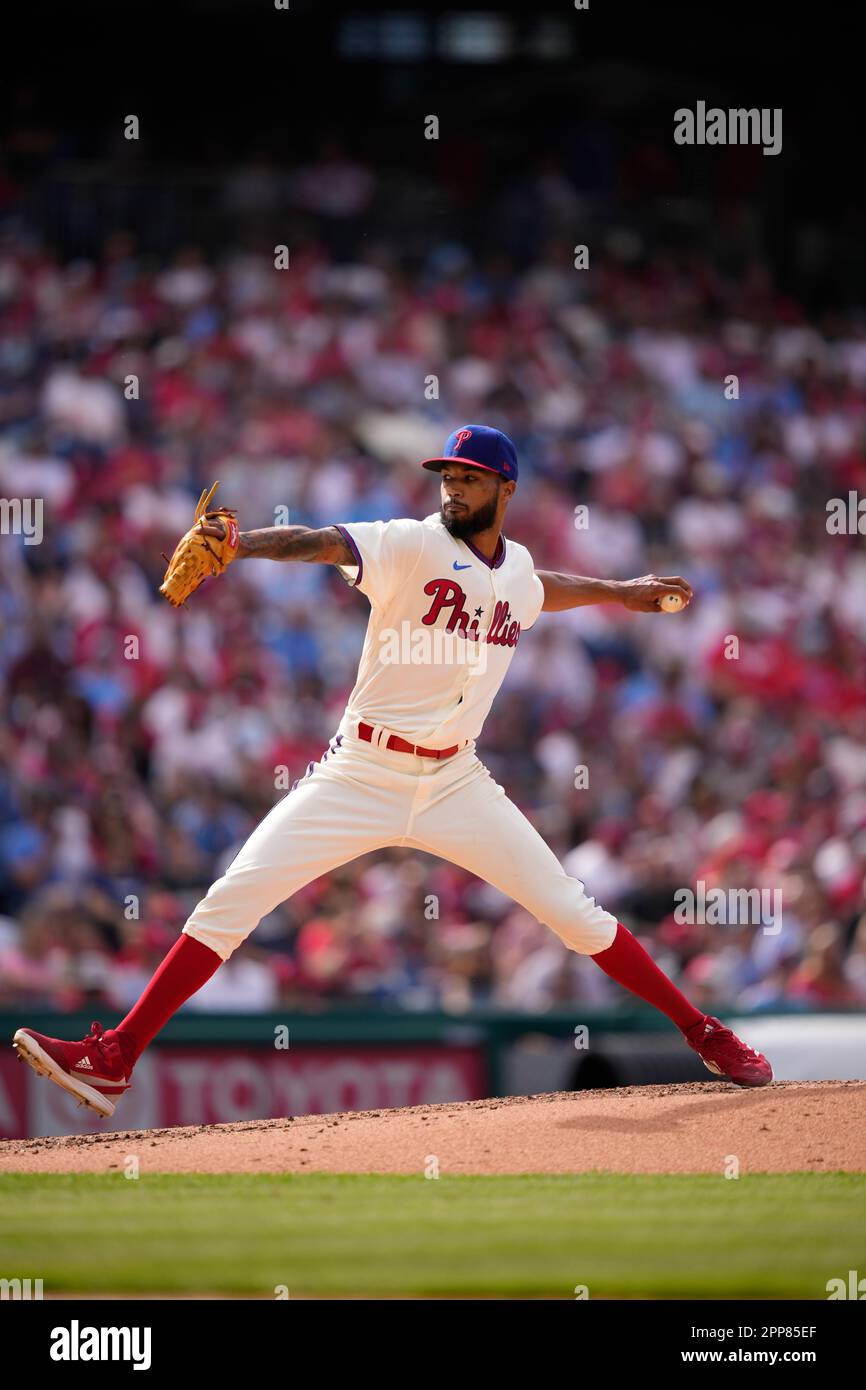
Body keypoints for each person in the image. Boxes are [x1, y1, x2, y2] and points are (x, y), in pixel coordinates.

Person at [12, 426, 772, 1115]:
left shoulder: (516, 573)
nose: (453, 487)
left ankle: (703, 1033)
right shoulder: (410, 543)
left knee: (575, 915)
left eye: (470, 478)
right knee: (231, 899)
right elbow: (320, 541)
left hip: (456, 782)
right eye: (447, 474)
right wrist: (239, 544)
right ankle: (116, 1057)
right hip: (361, 771)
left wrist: (620, 593)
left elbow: (540, 590)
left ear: (506, 490)